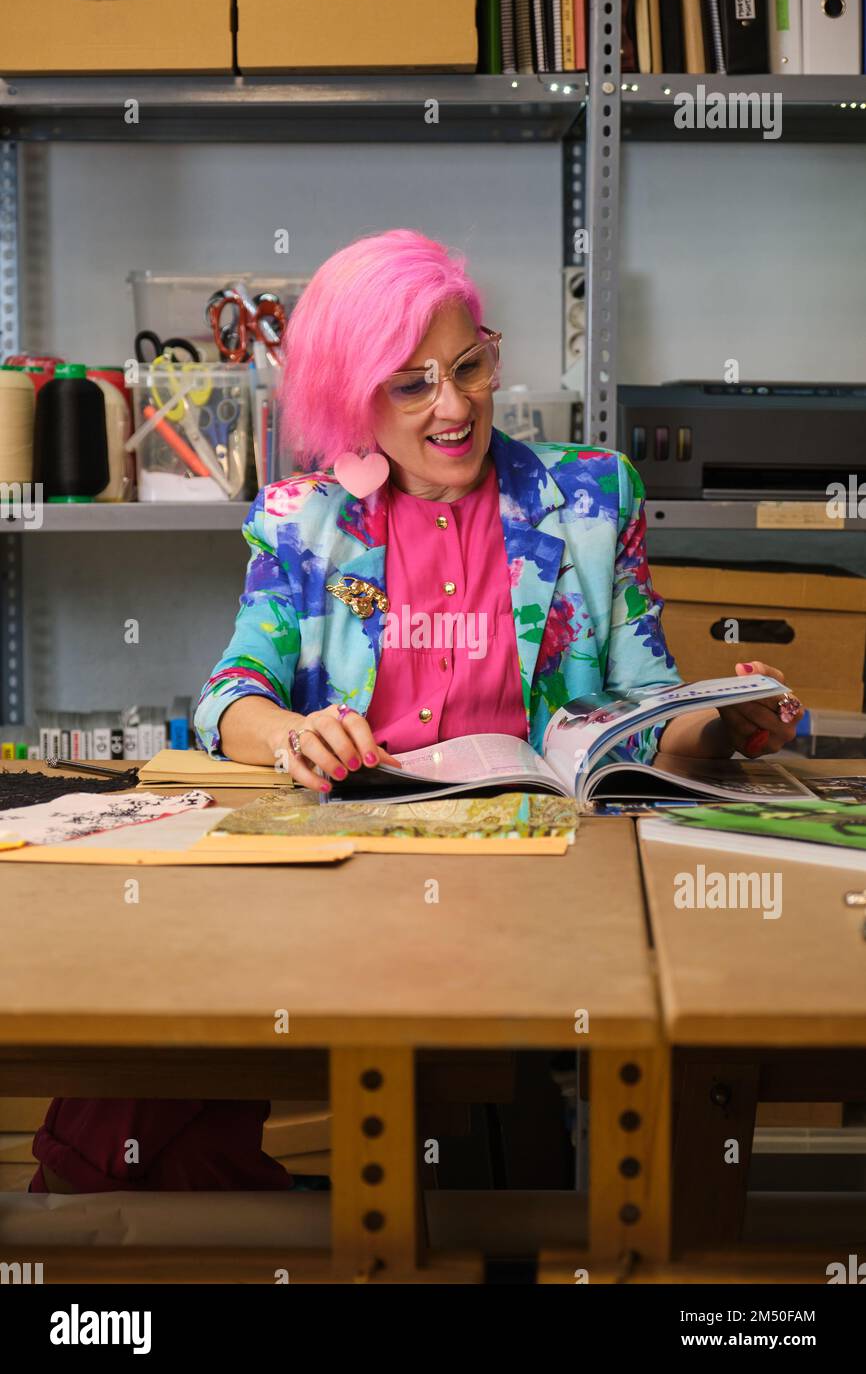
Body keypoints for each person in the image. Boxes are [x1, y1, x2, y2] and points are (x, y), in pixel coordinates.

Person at [31, 229, 801, 1193]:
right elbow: (229, 697)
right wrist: (294, 734)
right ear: (356, 399)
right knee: (141, 1067)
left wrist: (727, 722)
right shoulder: (301, 518)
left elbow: (651, 709)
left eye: (468, 365)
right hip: (339, 881)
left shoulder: (592, 497)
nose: (454, 404)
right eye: (411, 383)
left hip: (542, 882)